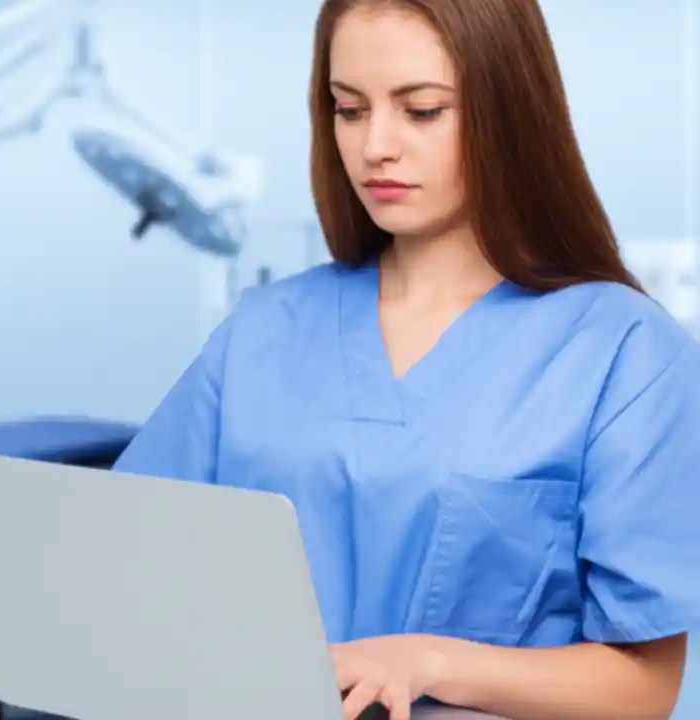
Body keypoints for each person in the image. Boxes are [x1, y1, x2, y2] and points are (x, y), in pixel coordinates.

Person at [111, 1, 700, 719]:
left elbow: (643, 689)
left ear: (508, 112)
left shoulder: (622, 351)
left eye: (421, 111)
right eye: (349, 110)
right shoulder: (264, 330)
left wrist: (431, 661)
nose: (374, 146)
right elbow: (131, 566)